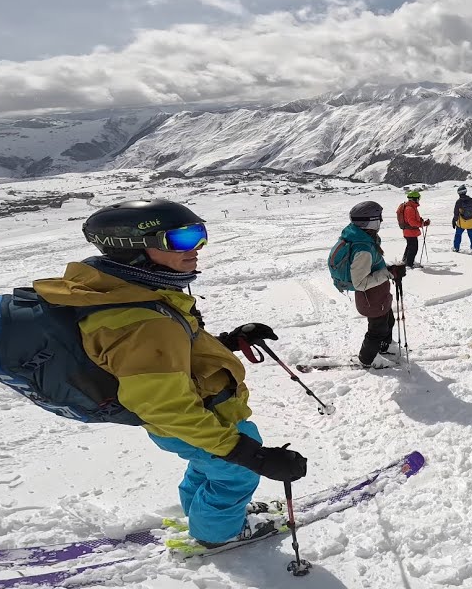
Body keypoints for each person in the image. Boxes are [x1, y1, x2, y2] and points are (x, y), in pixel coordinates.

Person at [35, 199, 307, 552]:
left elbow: (169, 355)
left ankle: (205, 510)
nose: (195, 248)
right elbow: (166, 407)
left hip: (199, 418)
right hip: (196, 420)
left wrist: (227, 343)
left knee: (207, 464)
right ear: (133, 249)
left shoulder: (132, 291)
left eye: (198, 235)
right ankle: (217, 532)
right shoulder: (142, 321)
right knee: (234, 473)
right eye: (180, 240)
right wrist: (251, 456)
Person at [336, 201, 407, 368]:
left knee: (388, 321)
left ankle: (385, 346)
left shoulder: (362, 237)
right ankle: (367, 359)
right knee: (377, 331)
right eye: (379, 219)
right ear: (371, 221)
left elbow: (372, 267)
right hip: (371, 298)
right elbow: (360, 283)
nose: (381, 222)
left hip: (378, 296)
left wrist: (390, 269)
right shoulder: (363, 249)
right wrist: (389, 273)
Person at [396, 190, 431, 268]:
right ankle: (409, 264)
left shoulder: (411, 207)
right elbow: (412, 222)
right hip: (410, 232)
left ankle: (405, 261)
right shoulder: (410, 208)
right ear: (414, 199)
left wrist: (422, 222)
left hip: (409, 231)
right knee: (413, 248)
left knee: (410, 246)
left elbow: (413, 220)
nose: (419, 200)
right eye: (418, 198)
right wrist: (422, 224)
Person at [452, 185, 472, 253]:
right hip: (470, 222)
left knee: (458, 235)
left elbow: (456, 212)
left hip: (461, 222)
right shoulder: (471, 200)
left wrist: (454, 220)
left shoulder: (459, 202)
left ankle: (456, 248)